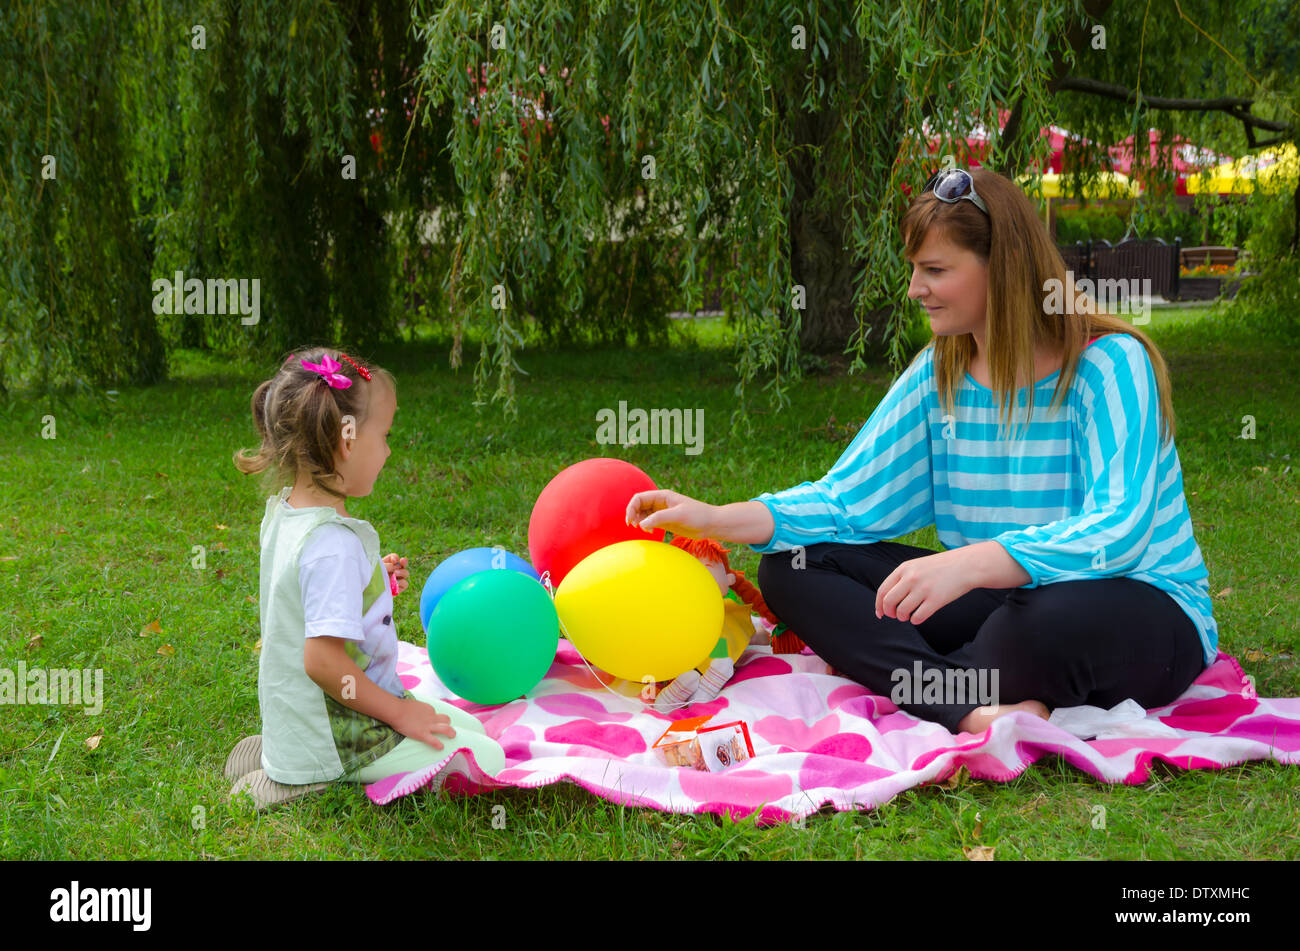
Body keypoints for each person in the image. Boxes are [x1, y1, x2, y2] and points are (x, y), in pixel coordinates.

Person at [626, 166, 1216, 736]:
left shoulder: (1110, 365)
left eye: (934, 269)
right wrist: (713, 517)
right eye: (915, 269)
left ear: (1002, 270)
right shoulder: (940, 372)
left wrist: (966, 563)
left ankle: (917, 673)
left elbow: (1120, 530)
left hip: (1137, 605)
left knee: (1029, 632)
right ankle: (965, 704)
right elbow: (845, 500)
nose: (914, 290)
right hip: (1002, 601)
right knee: (794, 565)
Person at [227, 347, 504, 809]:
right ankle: (297, 778)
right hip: (341, 733)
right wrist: (399, 713)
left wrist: (372, 579)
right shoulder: (331, 546)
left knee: (465, 726)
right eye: (386, 435)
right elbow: (322, 662)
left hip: (305, 716)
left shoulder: (285, 513)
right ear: (347, 442)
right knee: (485, 755)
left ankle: (281, 752)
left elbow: (305, 595)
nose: (390, 450)